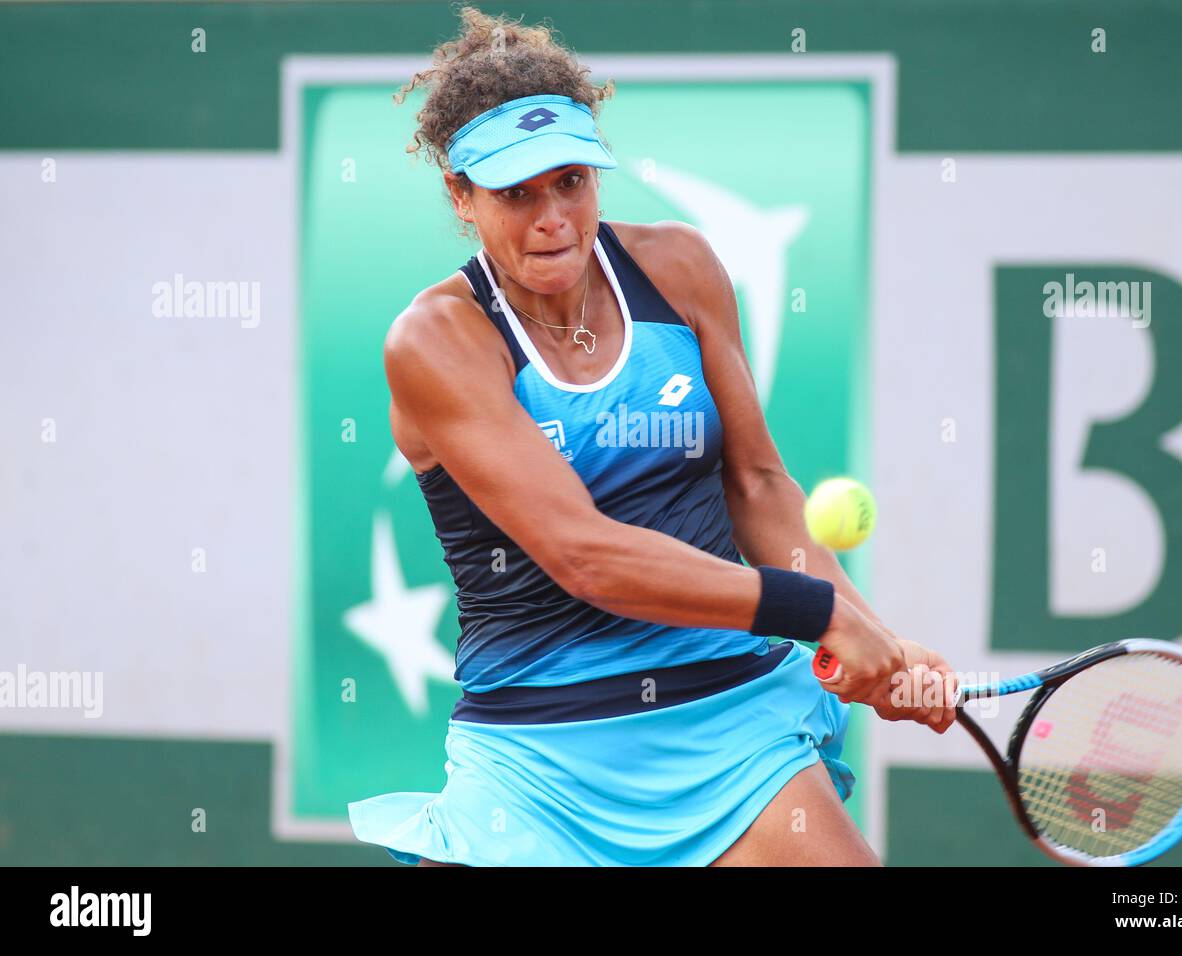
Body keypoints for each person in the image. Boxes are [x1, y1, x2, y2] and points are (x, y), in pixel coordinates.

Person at [347, 6, 957, 867]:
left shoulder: (680, 269)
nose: (553, 216)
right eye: (516, 193)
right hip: (537, 756)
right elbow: (585, 556)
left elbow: (755, 485)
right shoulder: (436, 341)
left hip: (735, 721)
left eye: (571, 181)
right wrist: (818, 613)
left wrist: (872, 637)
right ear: (460, 196)